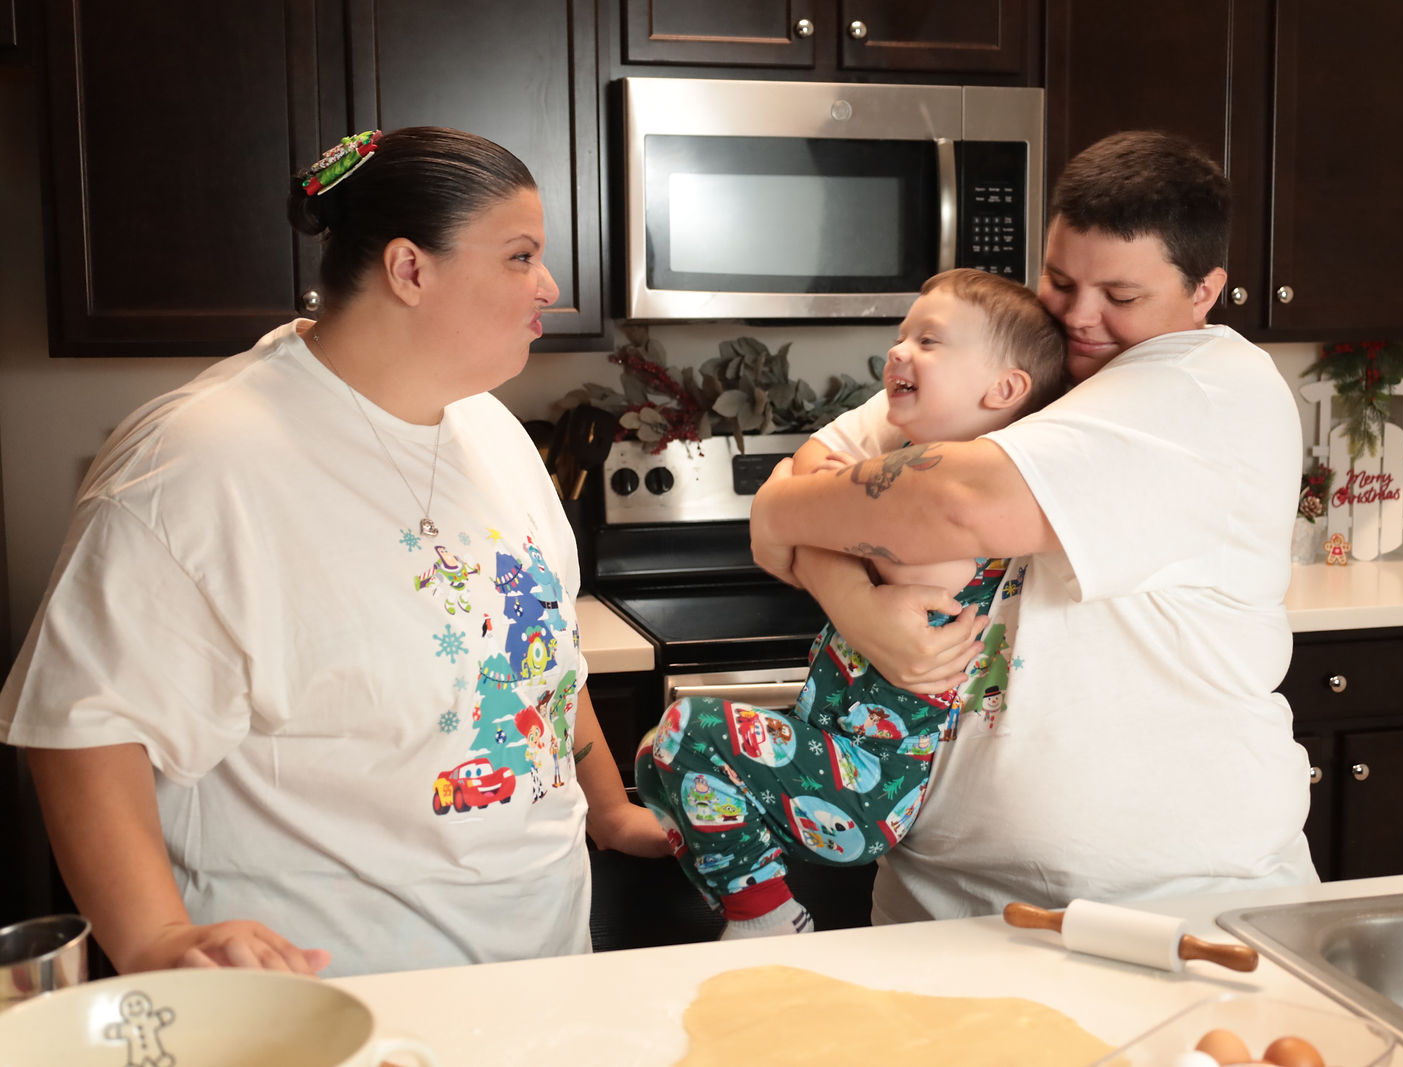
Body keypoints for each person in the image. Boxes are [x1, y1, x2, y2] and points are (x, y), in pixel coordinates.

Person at [0, 127, 666, 979]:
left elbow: (540, 656)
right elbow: (84, 726)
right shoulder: (199, 463)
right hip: (329, 995)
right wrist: (154, 938)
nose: (549, 284)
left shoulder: (489, 427)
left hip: (541, 970)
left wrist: (608, 810)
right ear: (409, 269)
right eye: (520, 255)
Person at [750, 130, 1318, 924]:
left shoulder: (1212, 390)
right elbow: (817, 475)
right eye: (1060, 280)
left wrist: (780, 512)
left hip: (1176, 904)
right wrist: (855, 603)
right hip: (938, 902)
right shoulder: (1003, 364)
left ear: (1204, 290)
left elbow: (950, 506)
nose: (1081, 317)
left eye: (1120, 296)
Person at [634, 269, 1069, 938]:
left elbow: (809, 503)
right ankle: (753, 890)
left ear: (1004, 389)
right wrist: (829, 504)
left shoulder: (965, 491)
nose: (899, 351)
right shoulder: (908, 455)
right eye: (901, 336)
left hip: (872, 782)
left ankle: (768, 916)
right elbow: (800, 492)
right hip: (839, 748)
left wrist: (818, 504)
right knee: (656, 758)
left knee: (689, 730)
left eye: (929, 341)